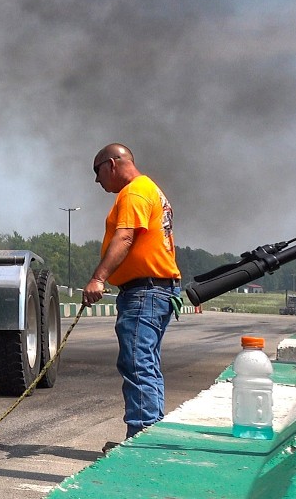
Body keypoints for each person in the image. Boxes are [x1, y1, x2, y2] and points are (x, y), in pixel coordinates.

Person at [83, 143, 181, 442]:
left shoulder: (134, 192)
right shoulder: (150, 189)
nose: (97, 180)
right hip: (156, 290)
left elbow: (125, 237)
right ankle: (150, 436)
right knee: (146, 365)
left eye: (97, 171)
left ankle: (141, 438)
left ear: (112, 164)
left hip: (145, 292)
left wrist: (98, 278)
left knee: (137, 365)